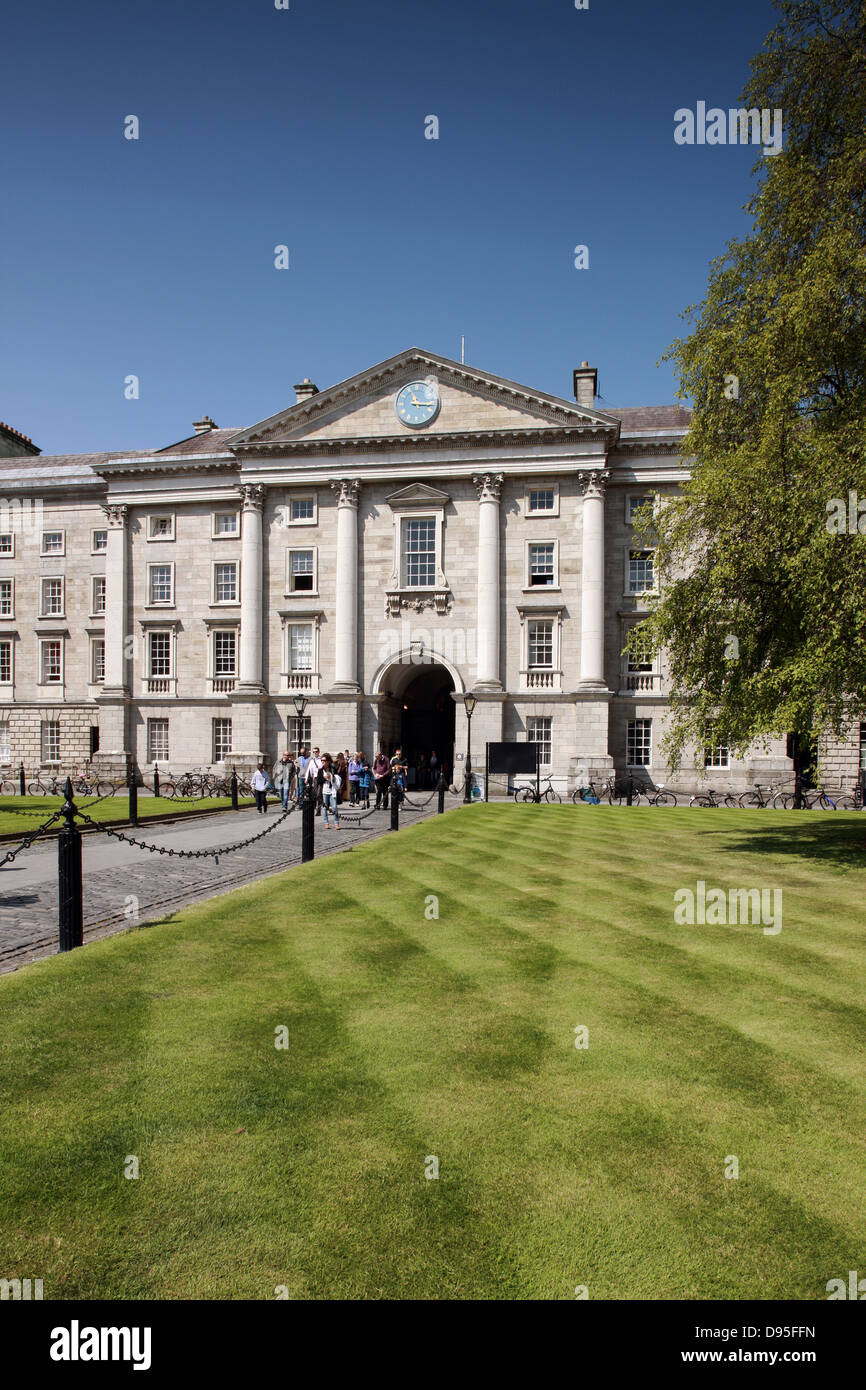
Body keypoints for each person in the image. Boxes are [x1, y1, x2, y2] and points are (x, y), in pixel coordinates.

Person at [318, 753, 341, 829]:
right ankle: (326, 822)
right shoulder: (320, 770)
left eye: (324, 760)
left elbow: (337, 778)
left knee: (334, 807)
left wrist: (331, 776)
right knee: (324, 808)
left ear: (328, 761)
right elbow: (318, 781)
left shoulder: (333, 769)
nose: (323, 762)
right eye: (322, 760)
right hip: (324, 791)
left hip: (332, 791)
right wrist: (324, 778)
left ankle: (336, 823)